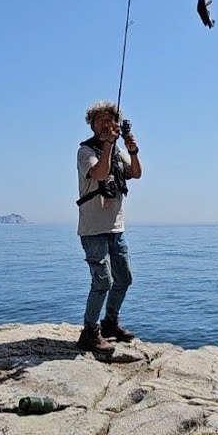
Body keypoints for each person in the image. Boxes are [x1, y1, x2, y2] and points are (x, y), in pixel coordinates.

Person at [74, 100, 142, 355]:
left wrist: (133, 151)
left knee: (124, 278)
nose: (105, 124)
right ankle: (89, 333)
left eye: (110, 120)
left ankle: (110, 323)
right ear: (91, 124)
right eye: (100, 120)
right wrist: (109, 145)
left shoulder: (117, 152)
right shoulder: (86, 152)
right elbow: (100, 174)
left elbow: (136, 173)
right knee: (103, 281)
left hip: (116, 228)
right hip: (93, 229)